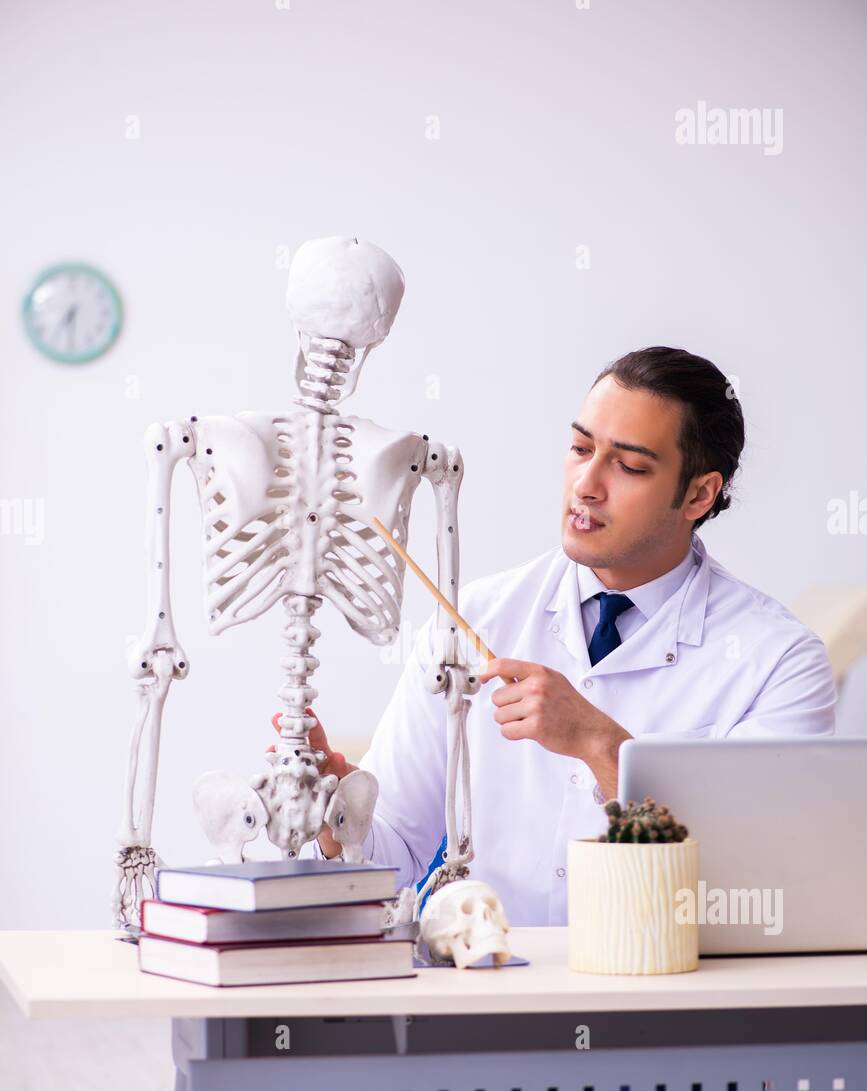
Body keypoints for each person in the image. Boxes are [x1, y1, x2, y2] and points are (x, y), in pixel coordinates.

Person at [286, 346, 836, 926]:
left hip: (671, 998)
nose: (587, 485)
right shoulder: (471, 619)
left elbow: (754, 887)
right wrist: (340, 821)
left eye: (630, 466)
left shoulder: (779, 660)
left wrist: (603, 747)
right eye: (580, 449)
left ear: (698, 495)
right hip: (489, 990)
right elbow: (393, 858)